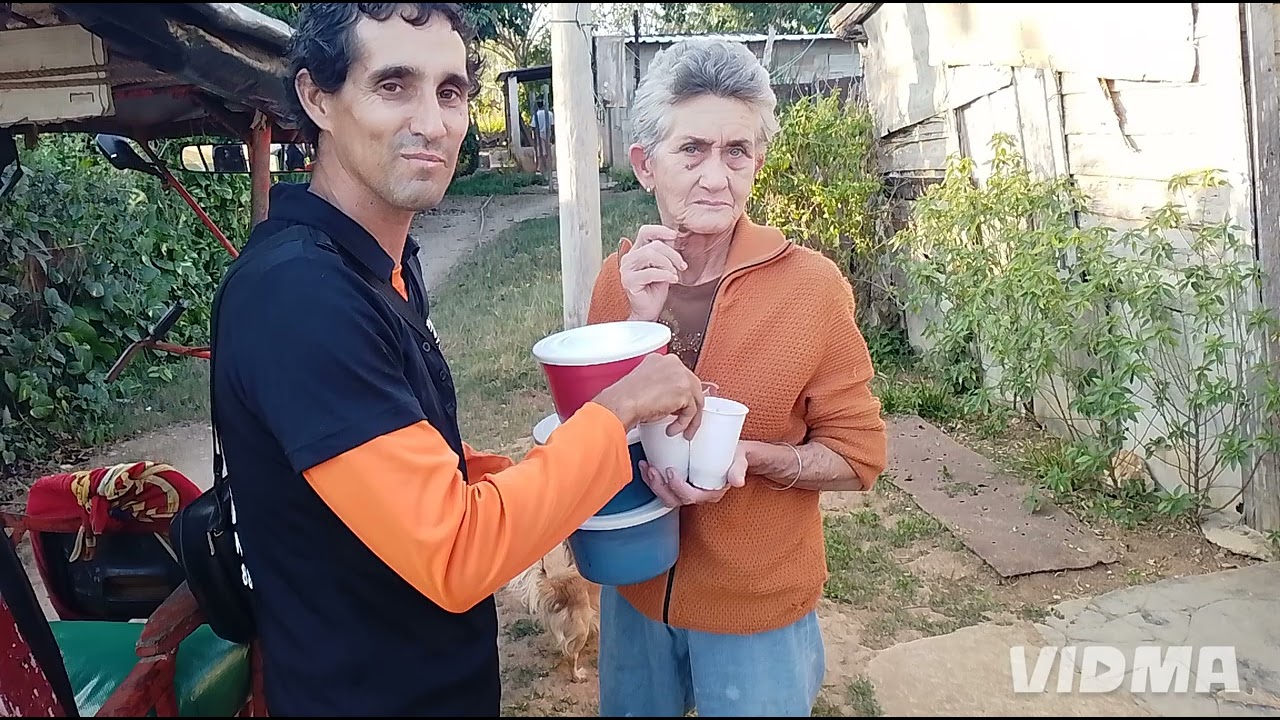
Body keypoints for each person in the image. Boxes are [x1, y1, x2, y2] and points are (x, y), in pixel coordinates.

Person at [210, 4, 719, 716]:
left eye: (450, 91)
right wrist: (617, 409)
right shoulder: (299, 297)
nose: (434, 121)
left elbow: (416, 457)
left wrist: (537, 482)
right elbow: (455, 553)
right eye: (394, 85)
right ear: (316, 98)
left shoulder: (381, 265)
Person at [586, 37, 890, 717]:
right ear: (645, 165)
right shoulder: (618, 283)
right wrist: (637, 323)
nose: (716, 177)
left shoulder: (811, 288)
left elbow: (859, 458)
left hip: (758, 605)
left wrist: (751, 458)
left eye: (737, 152)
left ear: (756, 163)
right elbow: (597, 431)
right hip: (637, 586)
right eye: (691, 150)